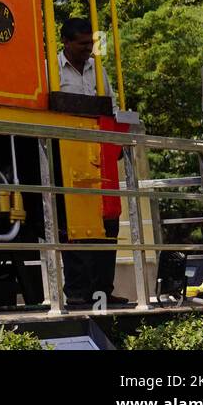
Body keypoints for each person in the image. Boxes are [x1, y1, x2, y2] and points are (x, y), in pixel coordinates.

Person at [55, 17, 128, 306]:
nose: (89, 49)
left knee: (108, 220)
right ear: (67, 43)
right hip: (67, 153)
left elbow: (111, 104)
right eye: (83, 44)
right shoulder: (51, 69)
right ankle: (77, 293)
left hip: (98, 150)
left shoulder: (98, 70)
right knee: (73, 225)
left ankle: (102, 291)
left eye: (91, 43)